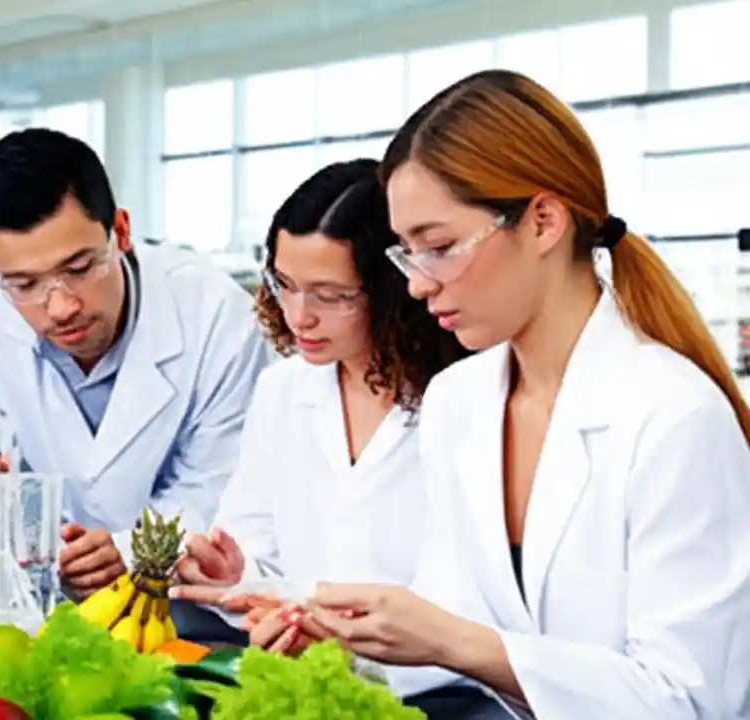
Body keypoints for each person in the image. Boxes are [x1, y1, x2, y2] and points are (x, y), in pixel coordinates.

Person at [305, 69, 750, 719]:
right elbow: (453, 613)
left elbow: (692, 699)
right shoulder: (459, 401)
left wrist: (460, 643)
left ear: (543, 222)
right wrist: (345, 640)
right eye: (407, 254)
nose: (418, 285)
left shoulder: (674, 417)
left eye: (440, 247)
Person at [0, 128, 273, 599]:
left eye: (80, 268)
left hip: (184, 611)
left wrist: (132, 551)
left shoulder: (215, 315)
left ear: (120, 231)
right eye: (24, 284)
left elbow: (221, 491)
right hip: (39, 606)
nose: (61, 306)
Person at [170, 159, 468, 659]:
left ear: (396, 288)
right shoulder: (283, 391)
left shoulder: (463, 400)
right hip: (304, 671)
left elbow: (473, 607)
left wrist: (343, 639)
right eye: (284, 284)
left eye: (331, 296)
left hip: (433, 686)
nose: (299, 315)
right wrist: (235, 576)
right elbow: (254, 548)